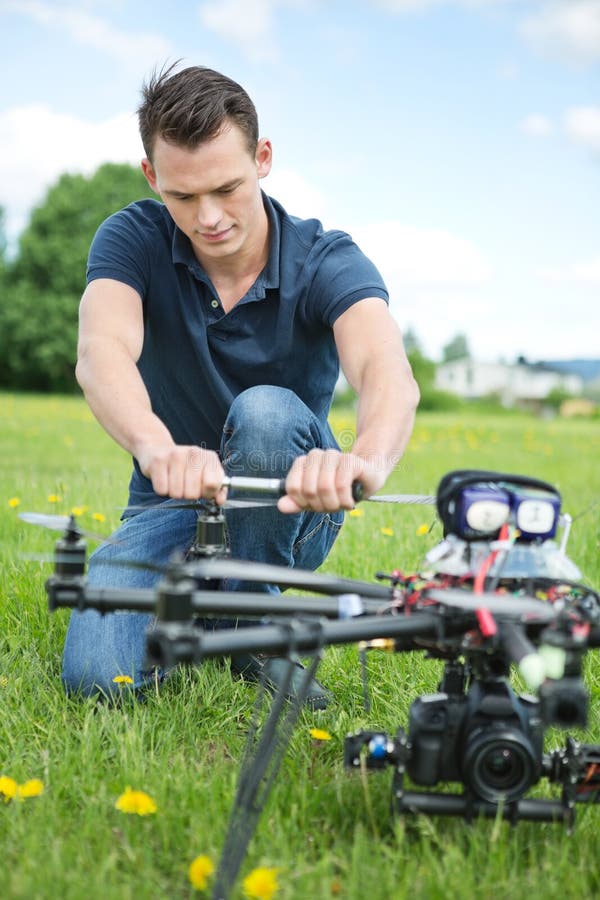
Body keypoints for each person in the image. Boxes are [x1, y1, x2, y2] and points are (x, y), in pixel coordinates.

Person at [61, 63, 419, 709]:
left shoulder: (326, 257)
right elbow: (101, 351)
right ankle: (236, 624)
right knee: (98, 680)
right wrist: (154, 446)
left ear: (263, 157)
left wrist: (366, 459)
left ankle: (242, 612)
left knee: (267, 417)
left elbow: (385, 369)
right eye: (183, 196)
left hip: (283, 510)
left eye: (228, 187)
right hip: (171, 506)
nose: (209, 217)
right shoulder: (131, 238)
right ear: (152, 176)